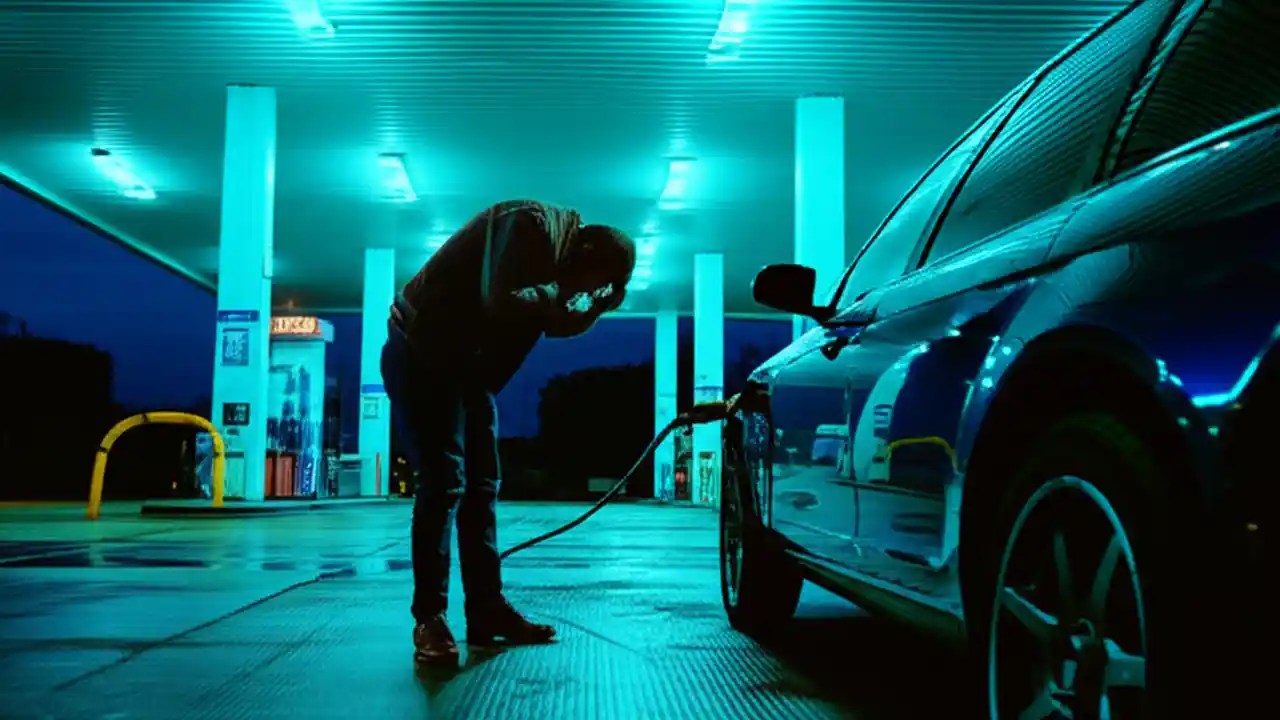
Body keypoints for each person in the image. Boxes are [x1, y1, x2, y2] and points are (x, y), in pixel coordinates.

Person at [381, 199, 635, 665]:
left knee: (481, 487)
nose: (581, 292)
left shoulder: (554, 259)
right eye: (591, 283)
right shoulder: (530, 226)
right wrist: (558, 292)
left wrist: (593, 308)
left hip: (463, 369)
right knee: (443, 483)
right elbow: (501, 300)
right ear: (585, 255)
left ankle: (487, 613)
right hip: (420, 352)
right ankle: (430, 619)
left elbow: (551, 321)